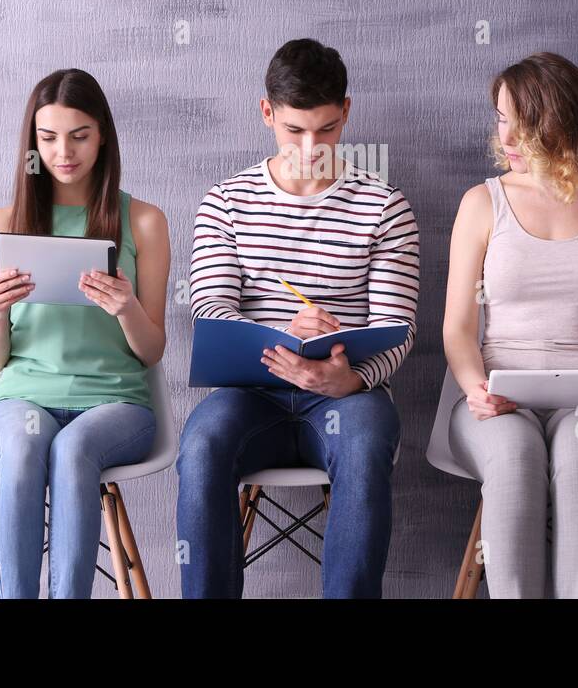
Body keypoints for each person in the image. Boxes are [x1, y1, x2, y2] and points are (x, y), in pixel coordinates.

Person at [176, 38, 420, 598]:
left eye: (328, 130)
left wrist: (353, 377)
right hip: (251, 394)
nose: (312, 147)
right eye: (294, 131)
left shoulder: (384, 206)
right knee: (202, 446)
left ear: (347, 113)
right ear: (267, 113)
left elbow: (397, 327)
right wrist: (287, 335)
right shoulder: (225, 202)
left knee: (362, 448)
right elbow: (211, 313)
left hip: (346, 396)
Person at [442, 51, 578, 598]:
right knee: (515, 456)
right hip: (495, 398)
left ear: (562, 123)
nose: (506, 136)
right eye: (500, 117)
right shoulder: (481, 203)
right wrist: (475, 390)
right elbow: (458, 328)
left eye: (523, 121)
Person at [0, 68, 170, 598]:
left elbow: (152, 351)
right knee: (22, 448)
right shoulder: (2, 223)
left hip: (114, 403)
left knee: (73, 450)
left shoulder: (145, 221)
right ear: (32, 143)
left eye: (80, 135)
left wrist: (127, 308)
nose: (65, 151)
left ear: (102, 135)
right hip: (24, 398)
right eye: (49, 137)